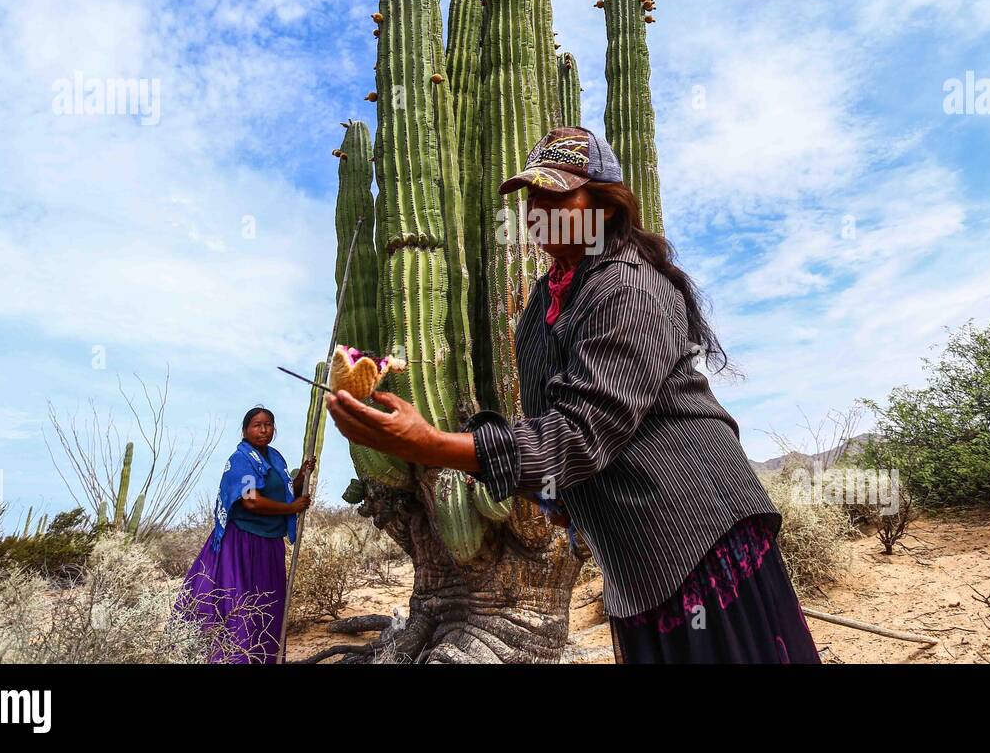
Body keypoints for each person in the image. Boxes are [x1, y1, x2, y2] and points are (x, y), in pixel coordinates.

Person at [325, 125, 821, 664]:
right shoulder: (543, 305)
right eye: (533, 198)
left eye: (557, 195)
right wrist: (558, 499)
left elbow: (581, 433)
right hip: (638, 551)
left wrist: (432, 445)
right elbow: (555, 422)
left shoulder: (630, 286)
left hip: (697, 532)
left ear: (604, 206)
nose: (538, 210)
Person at [177, 405, 314, 663]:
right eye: (257, 425)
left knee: (268, 605)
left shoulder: (275, 458)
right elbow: (251, 500)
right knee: (239, 603)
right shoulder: (241, 460)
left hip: (269, 544)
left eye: (268, 424)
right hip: (241, 543)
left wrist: (301, 478)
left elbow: (280, 491)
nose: (263, 430)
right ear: (245, 430)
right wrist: (291, 508)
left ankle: (264, 658)